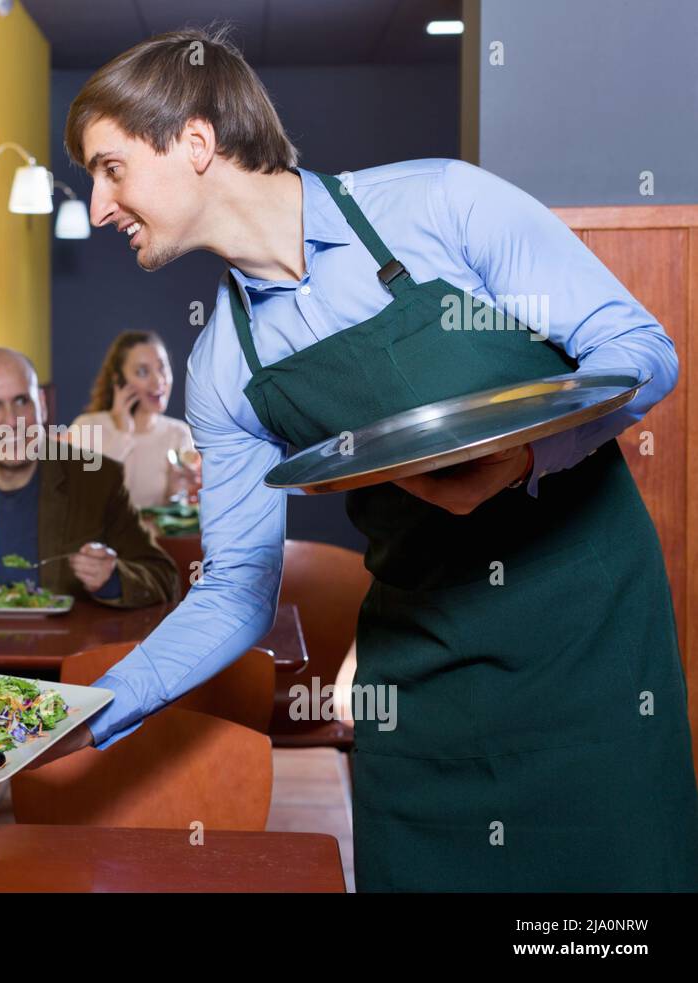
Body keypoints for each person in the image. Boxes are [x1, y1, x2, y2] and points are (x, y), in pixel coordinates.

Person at [36, 27, 698, 891]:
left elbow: (640, 349)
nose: (97, 206)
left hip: (589, 636)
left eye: (110, 167)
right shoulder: (225, 368)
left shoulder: (440, 206)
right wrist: (97, 707)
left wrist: (527, 453)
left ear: (195, 142)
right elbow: (237, 588)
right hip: (422, 671)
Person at [0, 346, 179, 821]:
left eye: (22, 401)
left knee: (67, 811)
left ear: (43, 406)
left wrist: (112, 579)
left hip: (66, 685)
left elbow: (164, 577)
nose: (12, 421)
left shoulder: (95, 478)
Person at [70, 330, 198, 509]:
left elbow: (173, 521)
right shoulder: (86, 428)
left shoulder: (178, 433)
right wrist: (122, 435)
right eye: (143, 372)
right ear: (119, 380)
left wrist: (173, 494)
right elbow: (83, 501)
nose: (158, 380)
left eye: (162, 367)